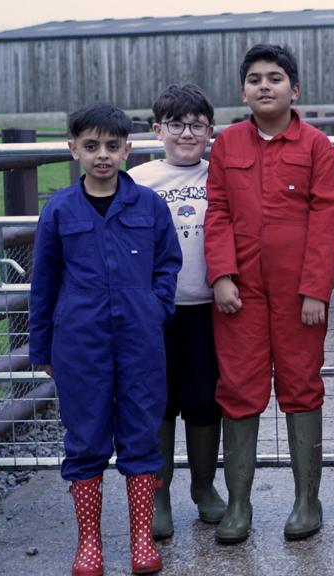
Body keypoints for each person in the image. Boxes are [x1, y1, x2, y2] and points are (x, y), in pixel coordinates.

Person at [30, 102, 181, 575]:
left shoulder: (150, 207)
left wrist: (156, 307)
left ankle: (141, 540)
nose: (102, 155)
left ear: (127, 150)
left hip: (139, 341)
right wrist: (43, 347)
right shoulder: (59, 210)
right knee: (86, 435)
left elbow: (168, 265)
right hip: (79, 343)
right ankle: (88, 543)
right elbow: (44, 283)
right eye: (91, 146)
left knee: (140, 432)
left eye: (112, 147)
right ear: (72, 148)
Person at [204, 44, 334, 544]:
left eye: (276, 78)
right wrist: (221, 274)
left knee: (301, 387)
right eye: (256, 79)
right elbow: (217, 211)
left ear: (295, 89)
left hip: (297, 297)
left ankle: (308, 500)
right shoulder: (226, 146)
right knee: (239, 390)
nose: (266, 85)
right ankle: (238, 504)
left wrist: (315, 291)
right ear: (243, 91)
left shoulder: (317, 147)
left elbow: (329, 221)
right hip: (239, 294)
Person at [128, 83, 225, 541]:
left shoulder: (219, 174)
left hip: (210, 308)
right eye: (176, 125)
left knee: (205, 402)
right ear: (157, 130)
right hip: (156, 313)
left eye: (197, 125)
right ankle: (158, 495)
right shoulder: (141, 179)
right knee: (159, 404)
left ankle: (204, 487)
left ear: (211, 130)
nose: (187, 133)